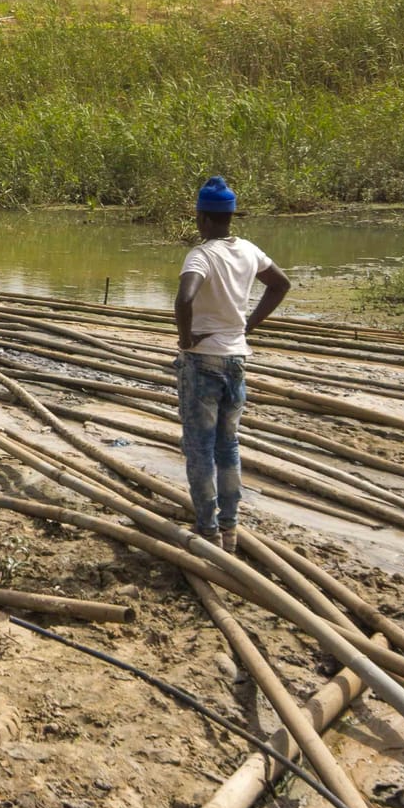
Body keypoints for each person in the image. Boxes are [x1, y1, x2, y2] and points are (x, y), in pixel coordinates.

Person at [173, 176, 291, 550]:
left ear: (203, 218)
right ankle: (230, 529)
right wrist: (246, 326)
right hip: (237, 359)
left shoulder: (201, 255)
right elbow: (280, 284)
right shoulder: (248, 251)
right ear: (229, 216)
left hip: (203, 361)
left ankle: (207, 527)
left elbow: (184, 298)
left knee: (199, 446)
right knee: (228, 445)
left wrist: (185, 338)